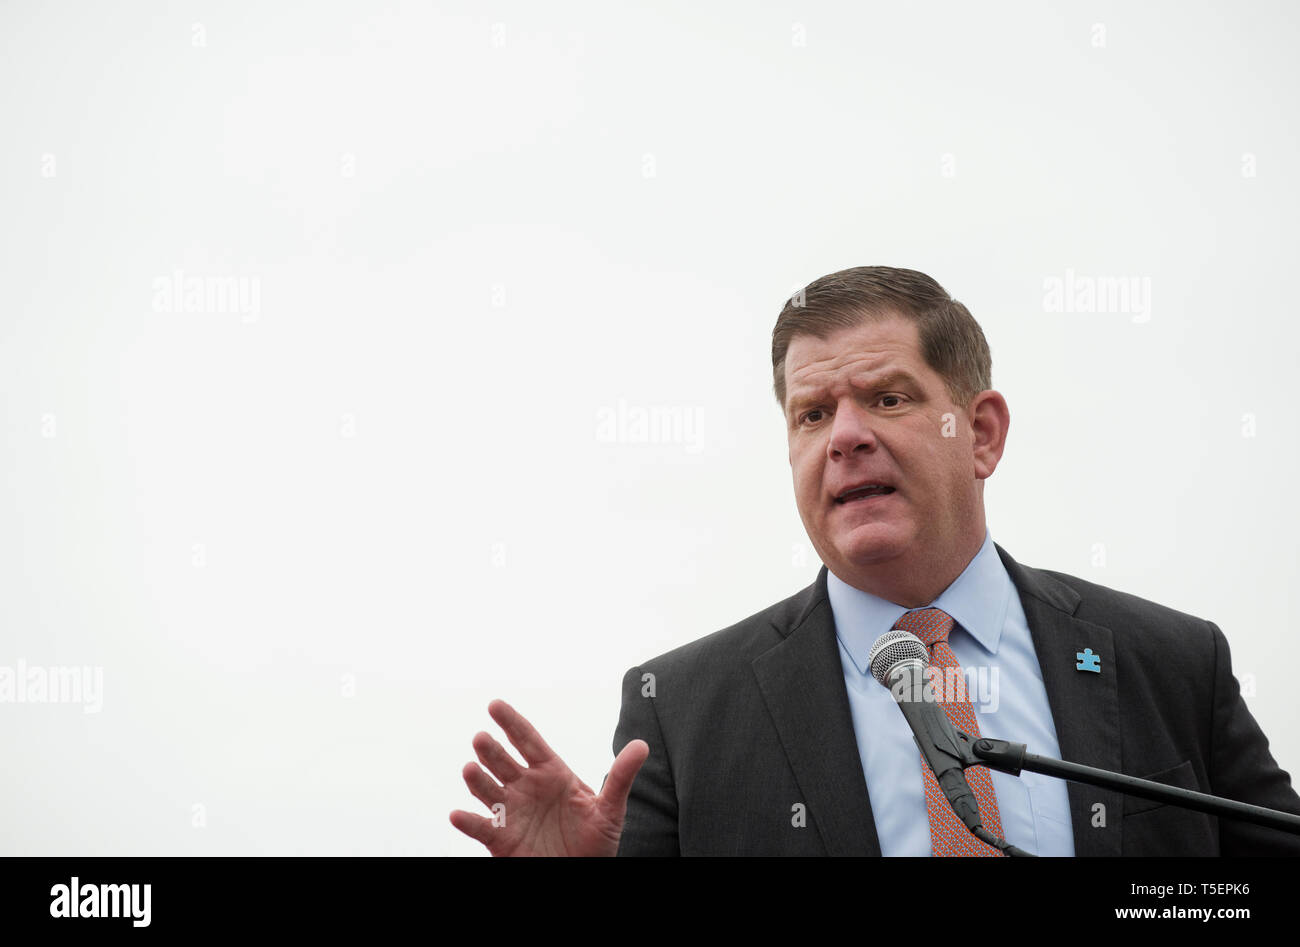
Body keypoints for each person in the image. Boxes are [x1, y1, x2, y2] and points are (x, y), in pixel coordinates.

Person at [449, 266, 1300, 856]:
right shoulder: (683, 710)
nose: (846, 435)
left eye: (887, 399)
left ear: (982, 432)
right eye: (812, 415)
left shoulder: (1170, 661)